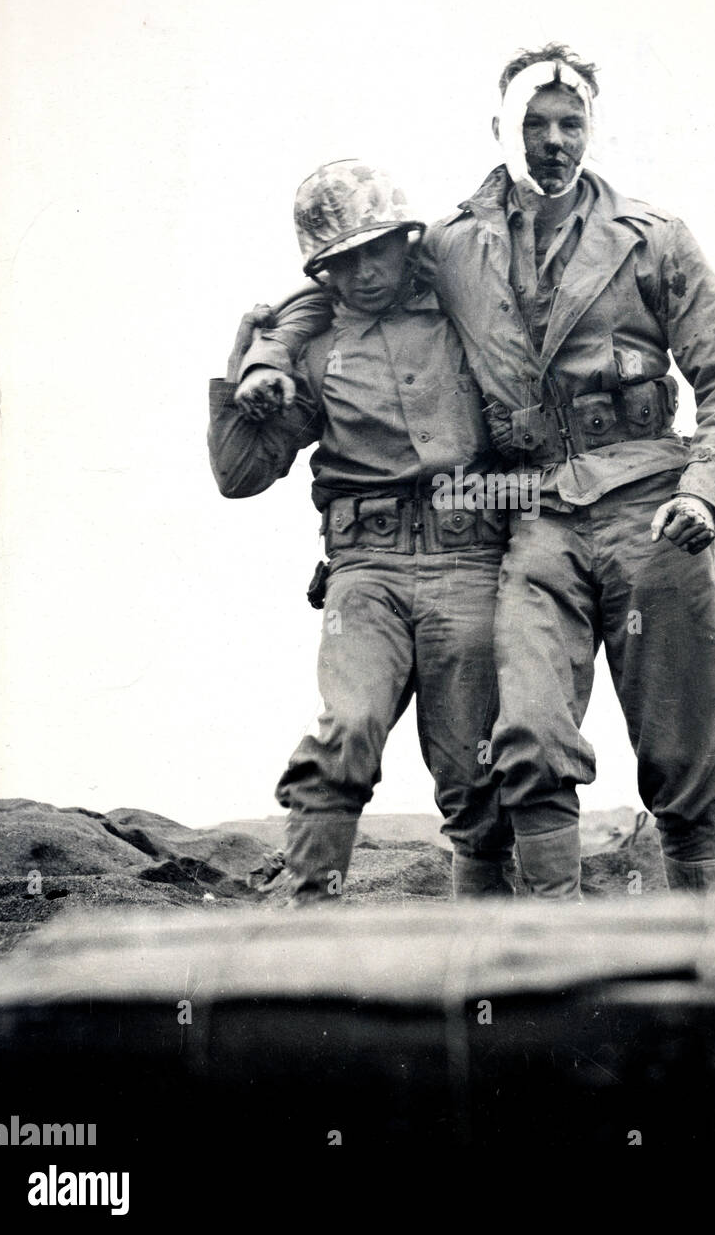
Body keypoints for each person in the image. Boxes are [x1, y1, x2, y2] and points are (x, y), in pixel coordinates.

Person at [238, 44, 715, 902]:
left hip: (651, 505)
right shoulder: (448, 244)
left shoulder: (651, 239)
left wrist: (707, 488)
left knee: (684, 737)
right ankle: (543, 953)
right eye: (534, 122)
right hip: (533, 514)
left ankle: (697, 942)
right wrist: (267, 351)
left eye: (570, 123)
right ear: (500, 129)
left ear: (590, 131)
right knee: (523, 732)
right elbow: (340, 283)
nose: (553, 140)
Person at [209, 159, 515, 904]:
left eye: (375, 250)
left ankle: (494, 955)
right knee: (347, 728)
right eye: (342, 262)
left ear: (405, 243)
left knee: (474, 769)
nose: (364, 273)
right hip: (365, 570)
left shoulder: (463, 316)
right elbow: (239, 475)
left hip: (468, 557)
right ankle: (307, 917)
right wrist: (248, 361)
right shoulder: (309, 349)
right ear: (324, 274)